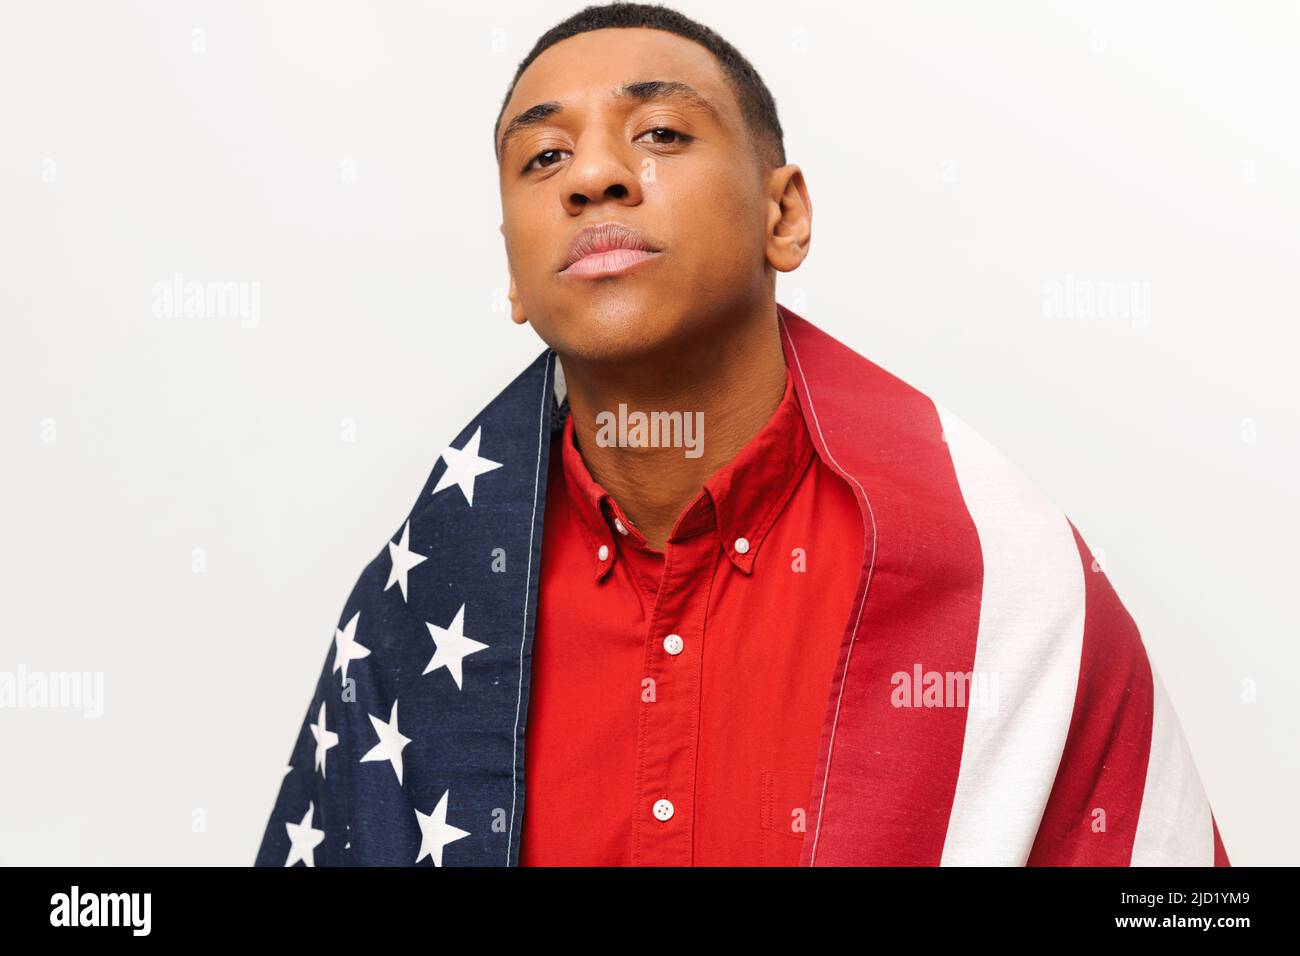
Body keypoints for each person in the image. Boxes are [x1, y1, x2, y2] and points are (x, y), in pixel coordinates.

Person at [254, 2, 1228, 867]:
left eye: (662, 132)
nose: (592, 173)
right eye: (543, 156)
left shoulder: (1005, 586)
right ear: (514, 271)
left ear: (785, 216)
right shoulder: (416, 609)